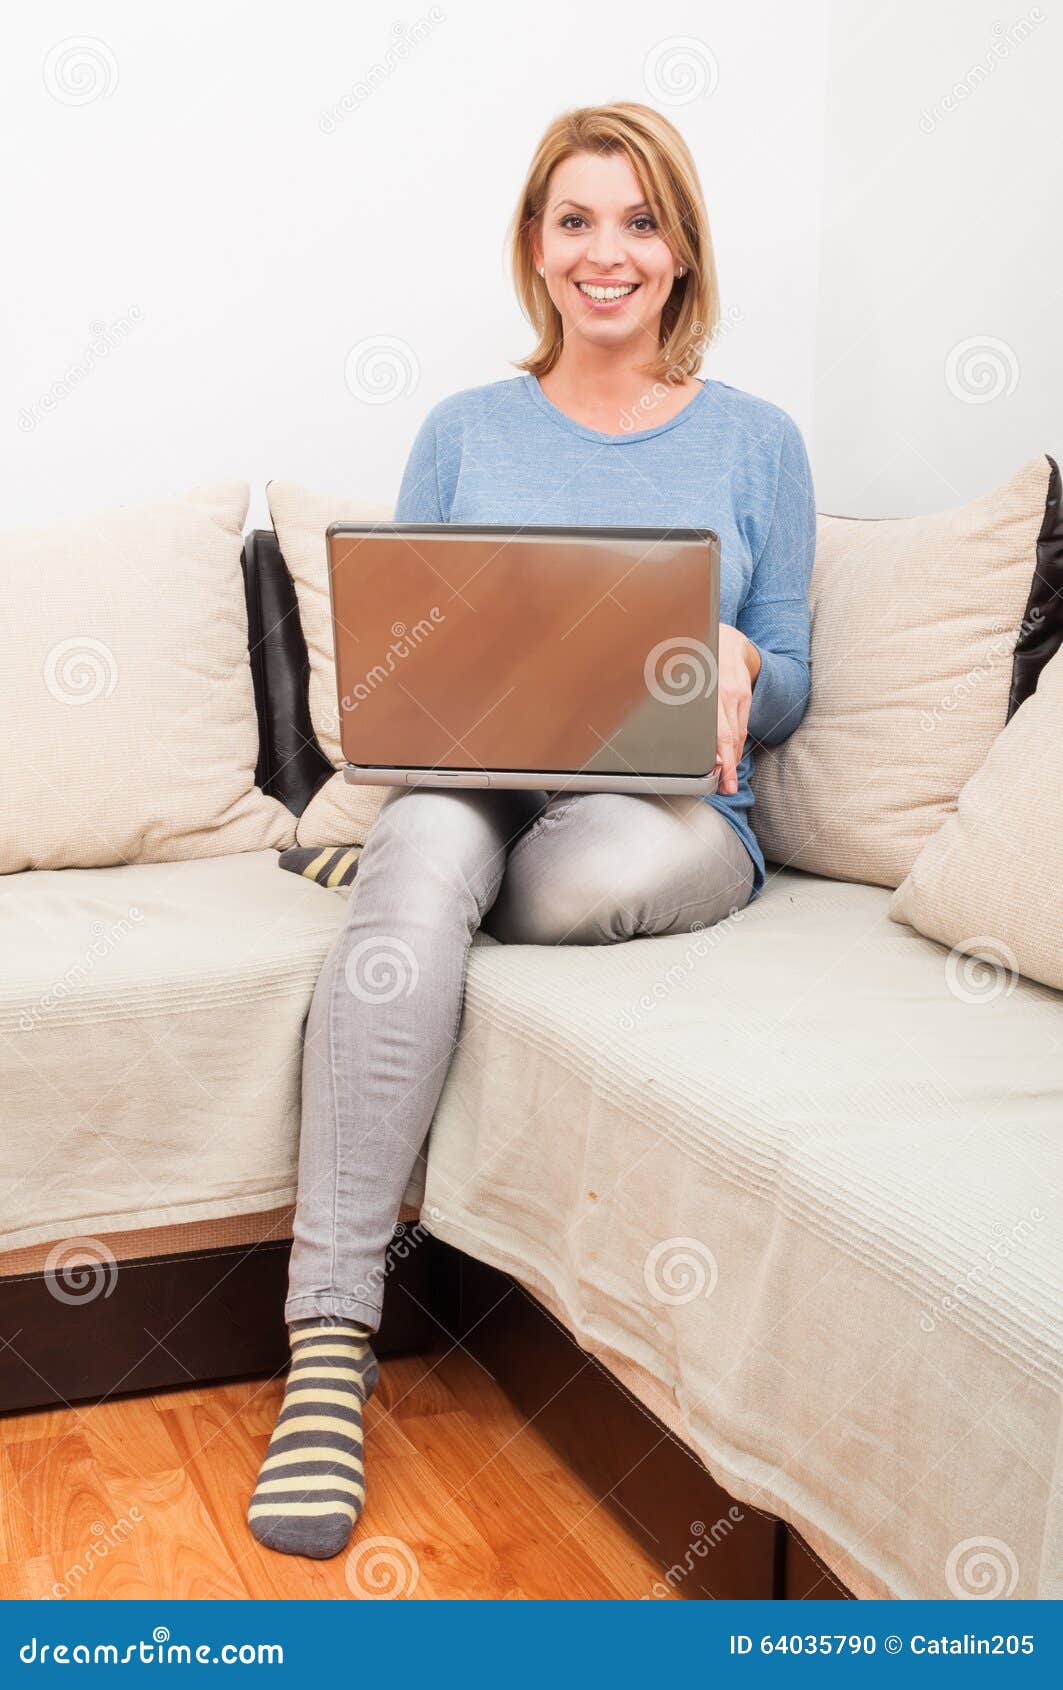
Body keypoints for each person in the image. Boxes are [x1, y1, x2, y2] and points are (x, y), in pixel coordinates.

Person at [248, 100, 816, 1560]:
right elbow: (397, 664)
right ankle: (330, 1340)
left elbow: (795, 674)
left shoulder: (760, 441)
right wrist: (431, 734)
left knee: (574, 876)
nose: (606, 251)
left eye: (639, 221)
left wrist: (748, 663)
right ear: (536, 246)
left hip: (664, 807)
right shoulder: (464, 429)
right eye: (576, 219)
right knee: (436, 837)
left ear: (682, 252)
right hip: (481, 777)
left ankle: (395, 887)